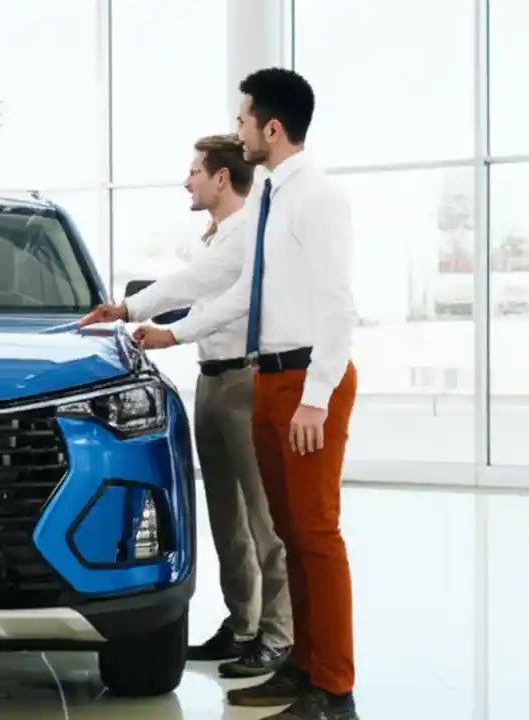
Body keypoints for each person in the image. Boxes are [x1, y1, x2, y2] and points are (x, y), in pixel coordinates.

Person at [136, 68, 359, 719]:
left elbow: (340, 307)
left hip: (306, 380)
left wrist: (317, 397)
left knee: (314, 535)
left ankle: (334, 689)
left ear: (270, 127)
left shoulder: (317, 197)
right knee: (287, 530)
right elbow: (233, 293)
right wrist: (163, 331)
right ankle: (301, 668)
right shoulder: (270, 201)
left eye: (242, 122)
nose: (237, 133)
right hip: (267, 375)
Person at [80, 133, 294, 679]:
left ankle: (278, 635)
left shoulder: (248, 232)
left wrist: (142, 318)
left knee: (261, 519)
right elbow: (190, 283)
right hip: (212, 382)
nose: (188, 180)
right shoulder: (221, 234)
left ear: (221, 177)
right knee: (226, 516)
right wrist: (130, 310)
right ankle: (241, 625)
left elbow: (211, 293)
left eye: (195, 171)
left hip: (244, 383)